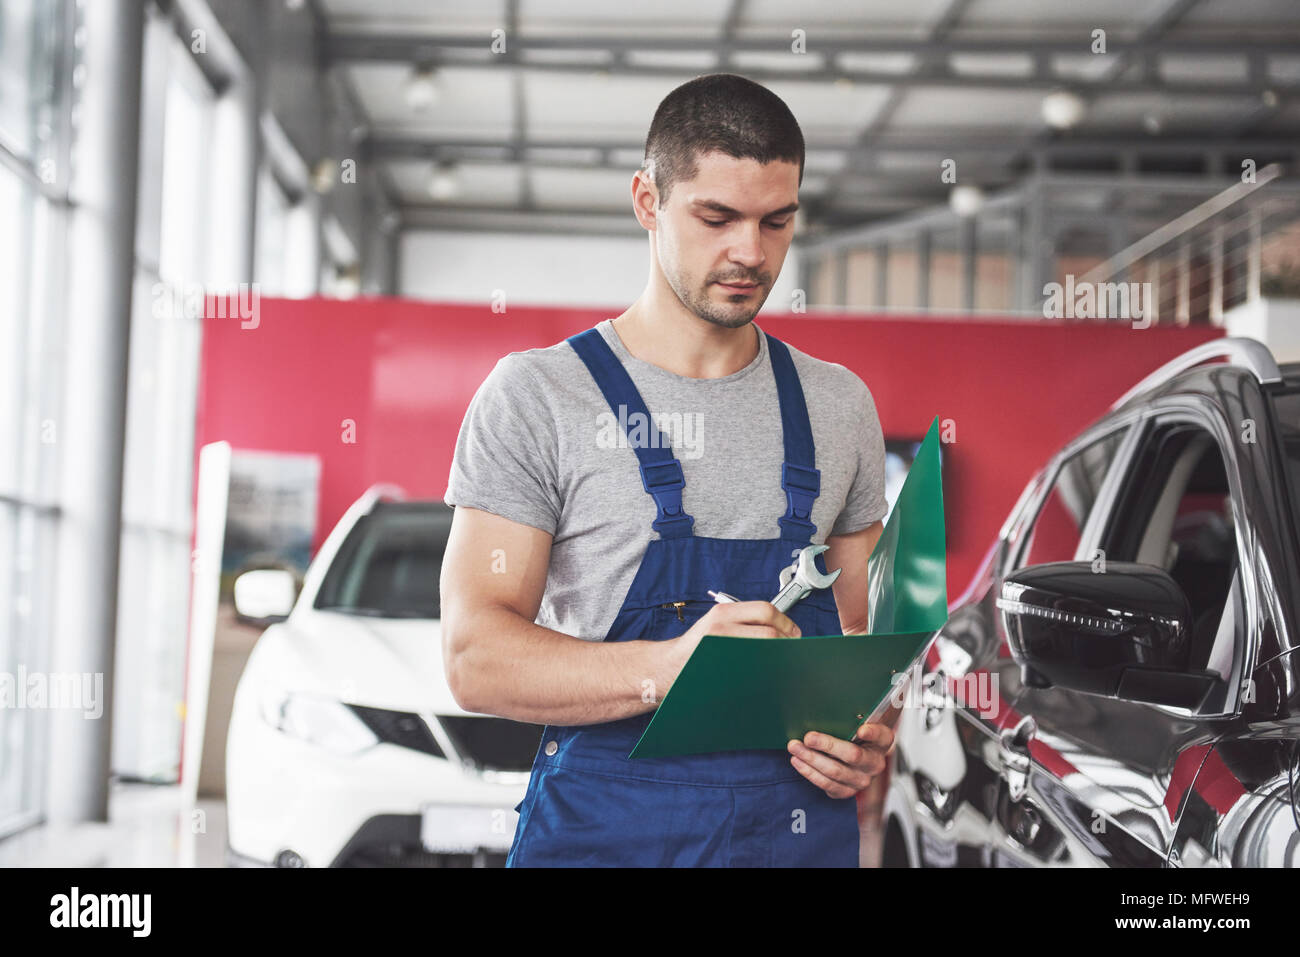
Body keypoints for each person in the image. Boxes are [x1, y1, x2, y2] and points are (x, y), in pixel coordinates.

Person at [440, 73, 897, 867]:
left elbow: (868, 638)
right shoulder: (539, 395)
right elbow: (475, 658)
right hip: (600, 836)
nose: (751, 253)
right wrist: (671, 669)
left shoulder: (839, 406)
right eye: (716, 217)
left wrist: (870, 730)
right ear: (648, 201)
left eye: (776, 221)